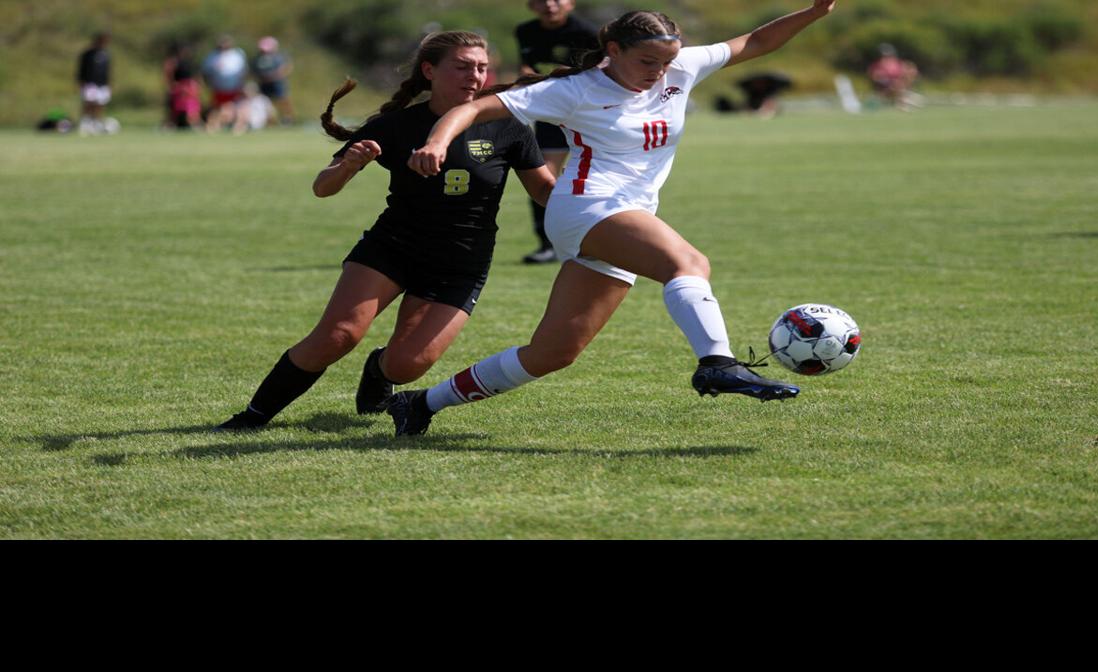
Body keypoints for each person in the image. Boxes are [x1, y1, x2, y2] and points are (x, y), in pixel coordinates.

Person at [387, 2, 838, 437]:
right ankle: (718, 365)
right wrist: (437, 142)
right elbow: (473, 108)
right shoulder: (576, 89)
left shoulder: (679, 66)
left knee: (553, 353)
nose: (659, 72)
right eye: (647, 61)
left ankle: (420, 404)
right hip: (587, 205)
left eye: (666, 61)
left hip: (626, 217)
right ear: (614, 50)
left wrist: (814, 13)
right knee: (689, 264)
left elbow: (756, 41)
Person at [215, 31, 556, 431]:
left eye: (481, 68)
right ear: (429, 71)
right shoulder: (396, 125)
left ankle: (378, 370)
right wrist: (348, 165)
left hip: (461, 262)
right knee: (337, 335)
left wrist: (598, 203)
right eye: (462, 66)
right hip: (393, 248)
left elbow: (546, 192)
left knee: (407, 366)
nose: (475, 76)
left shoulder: (508, 127)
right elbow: (323, 187)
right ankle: (253, 416)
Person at [515, 0, 600, 264]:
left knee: (594, 178)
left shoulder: (587, 32)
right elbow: (527, 66)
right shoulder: (525, 31)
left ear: (571, 3)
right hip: (549, 112)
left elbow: (600, 71)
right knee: (542, 177)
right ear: (531, 5)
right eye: (541, 0)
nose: (549, 5)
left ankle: (598, 239)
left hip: (586, 113)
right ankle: (547, 244)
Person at [202, 35, 248, 131]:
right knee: (218, 108)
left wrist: (241, 84)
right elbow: (207, 72)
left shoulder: (237, 55)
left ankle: (239, 125)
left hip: (235, 86)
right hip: (218, 87)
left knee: (237, 107)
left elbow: (242, 71)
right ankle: (213, 126)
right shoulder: (212, 56)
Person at [76, 32, 114, 135]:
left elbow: (107, 71)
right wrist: (81, 82)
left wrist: (109, 83)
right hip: (90, 83)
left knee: (100, 103)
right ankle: (86, 122)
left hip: (102, 83)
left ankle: (96, 123)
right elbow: (81, 69)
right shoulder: (88, 54)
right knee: (89, 103)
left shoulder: (105, 54)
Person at [251, 36, 295, 125]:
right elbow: (254, 71)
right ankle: (269, 121)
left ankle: (288, 119)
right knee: (265, 103)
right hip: (264, 83)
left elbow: (286, 68)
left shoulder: (279, 57)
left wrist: (275, 76)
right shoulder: (258, 59)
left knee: (282, 100)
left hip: (277, 83)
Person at [867, 43, 919, 110]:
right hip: (885, 89)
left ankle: (906, 96)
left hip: (899, 86)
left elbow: (908, 72)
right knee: (896, 85)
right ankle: (904, 100)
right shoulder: (876, 66)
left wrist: (909, 71)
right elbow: (876, 78)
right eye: (885, 56)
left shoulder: (897, 63)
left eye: (889, 56)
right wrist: (890, 82)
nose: (887, 58)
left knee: (909, 72)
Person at [163, 43, 202, 130]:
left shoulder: (191, 62)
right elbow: (170, 76)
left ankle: (196, 125)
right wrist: (173, 86)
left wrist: (196, 86)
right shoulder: (173, 62)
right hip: (180, 88)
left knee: (192, 109)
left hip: (189, 88)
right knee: (175, 109)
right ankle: (170, 125)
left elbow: (197, 76)